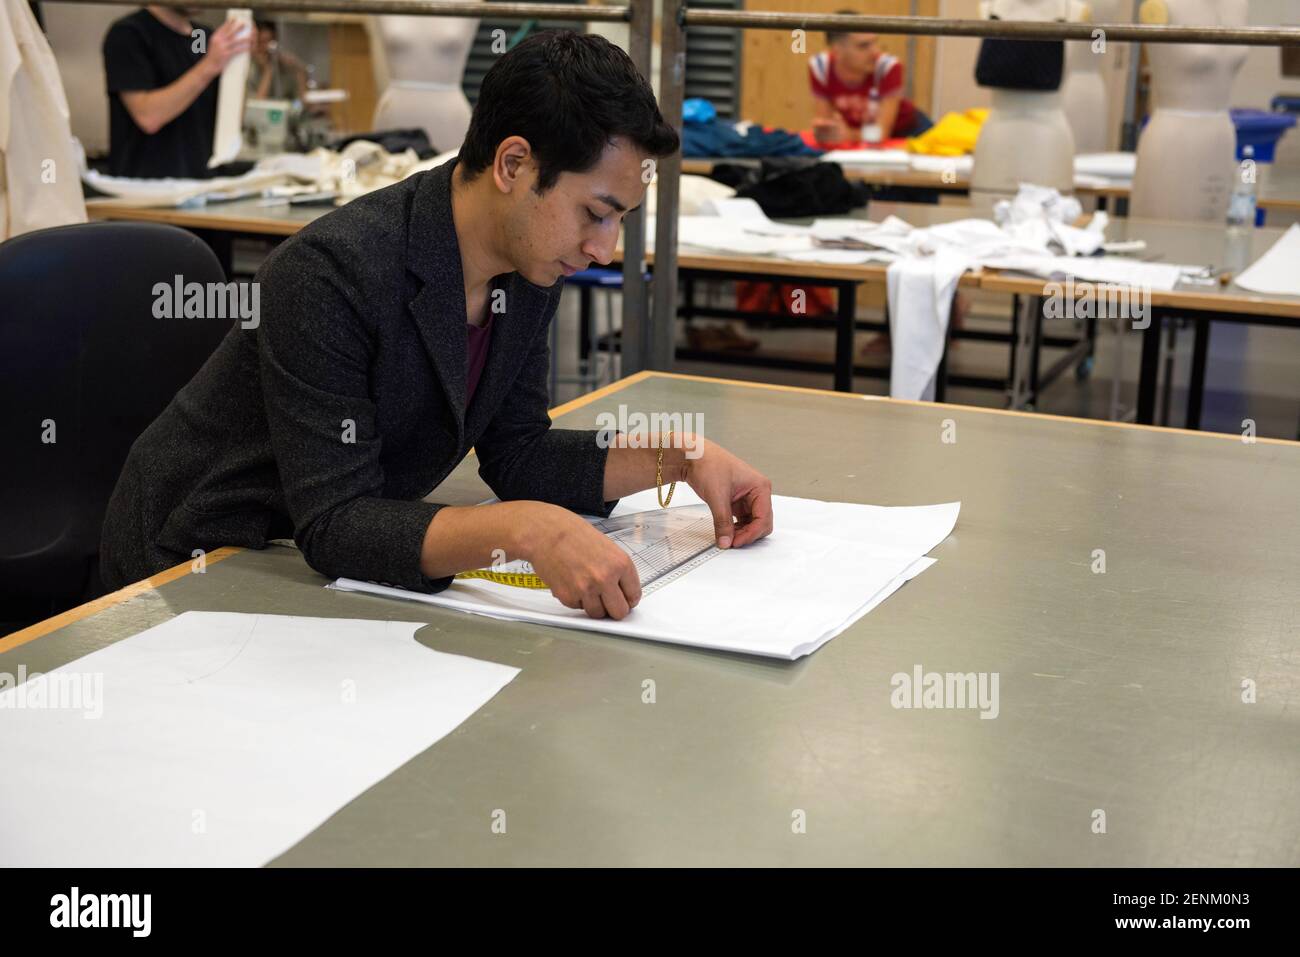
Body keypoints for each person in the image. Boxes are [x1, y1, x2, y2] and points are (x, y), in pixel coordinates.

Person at [100, 31, 775, 621]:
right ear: (514, 165)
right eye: (595, 213)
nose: (604, 248)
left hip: (302, 564)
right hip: (192, 561)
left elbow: (520, 455)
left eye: (619, 220)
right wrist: (523, 530)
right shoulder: (330, 272)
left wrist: (679, 457)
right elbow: (335, 523)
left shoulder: (526, 264)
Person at [103, 4, 251, 178]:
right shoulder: (130, 33)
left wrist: (239, 60)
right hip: (144, 187)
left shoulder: (200, 36)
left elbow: (227, 113)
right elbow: (148, 116)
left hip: (201, 183)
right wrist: (211, 64)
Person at [809, 14, 930, 143]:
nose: (875, 51)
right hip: (862, 132)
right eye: (863, 46)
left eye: (874, 42)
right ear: (837, 50)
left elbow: (882, 133)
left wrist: (849, 135)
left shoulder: (888, 67)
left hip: (910, 131)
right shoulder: (820, 67)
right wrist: (826, 132)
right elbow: (825, 124)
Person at [247, 17, 308, 101]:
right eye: (261, 42)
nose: (266, 48)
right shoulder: (248, 69)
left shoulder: (283, 67)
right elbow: (258, 103)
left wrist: (298, 70)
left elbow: (302, 102)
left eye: (269, 42)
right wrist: (268, 71)